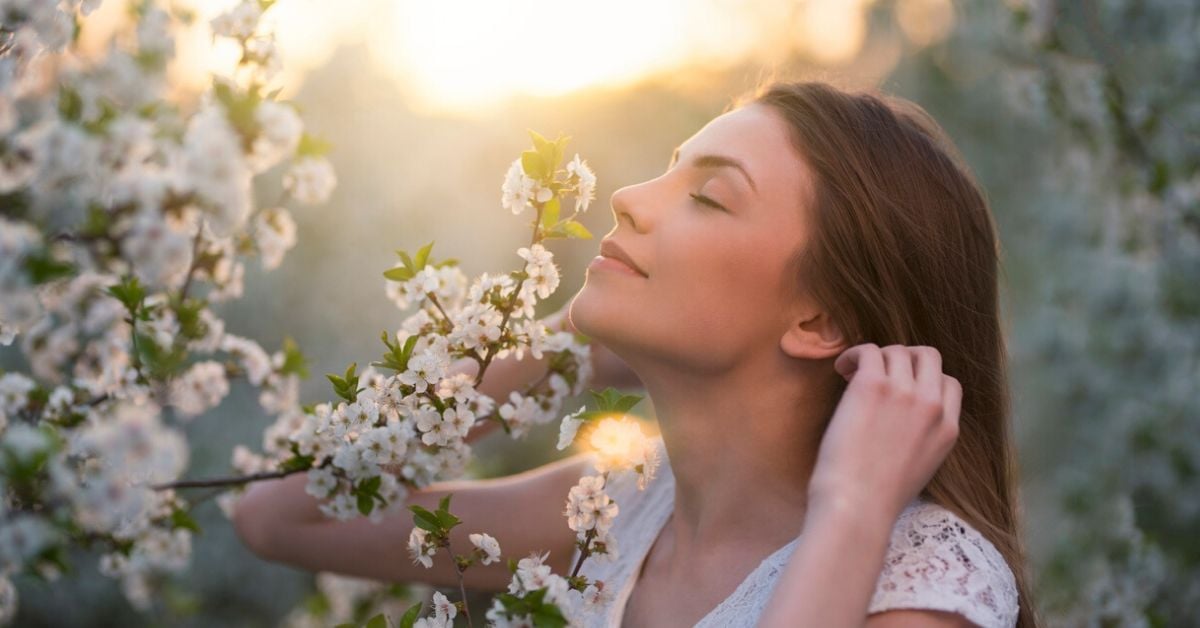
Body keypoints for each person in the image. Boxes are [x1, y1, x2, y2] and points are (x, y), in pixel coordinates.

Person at [232, 79, 1040, 627]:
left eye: (708, 195)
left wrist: (854, 509)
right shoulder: (614, 511)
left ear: (821, 319)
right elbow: (277, 514)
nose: (626, 197)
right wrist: (567, 349)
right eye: (666, 168)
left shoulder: (919, 588)